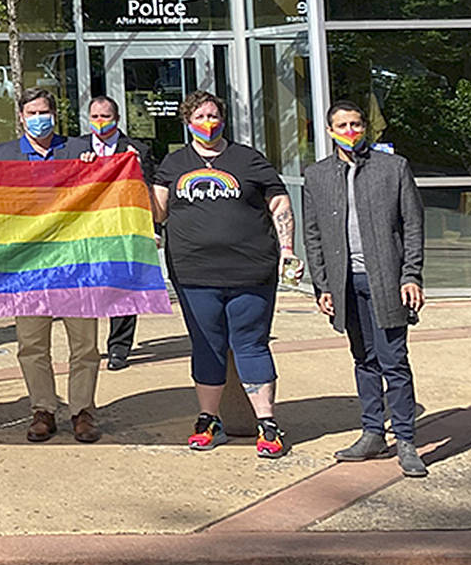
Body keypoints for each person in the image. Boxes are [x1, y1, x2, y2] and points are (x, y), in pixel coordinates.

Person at [152, 90, 296, 459]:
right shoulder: (174, 163)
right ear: (187, 122)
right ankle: (208, 420)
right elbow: (157, 212)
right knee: (207, 345)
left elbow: (278, 201)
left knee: (251, 343)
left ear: (224, 118)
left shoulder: (248, 159)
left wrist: (287, 249)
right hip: (193, 273)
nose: (208, 123)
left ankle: (267, 423)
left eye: (213, 115)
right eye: (199, 117)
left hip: (251, 271)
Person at [302, 99, 429, 478]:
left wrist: (411, 274)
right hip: (345, 283)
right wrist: (322, 285)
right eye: (342, 126)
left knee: (395, 361)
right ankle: (373, 432)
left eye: (356, 124)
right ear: (329, 131)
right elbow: (314, 235)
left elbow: (413, 226)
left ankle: (406, 440)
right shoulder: (317, 175)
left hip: (387, 280)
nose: (350, 131)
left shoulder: (394, 168)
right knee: (363, 359)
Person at [0, 89, 101, 444]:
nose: (39, 118)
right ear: (21, 117)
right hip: (29, 266)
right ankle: (43, 410)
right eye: (32, 112)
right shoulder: (2, 156)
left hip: (74, 264)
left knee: (84, 344)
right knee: (32, 344)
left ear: (55, 115)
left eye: (45, 111)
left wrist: (94, 167)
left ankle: (82, 411)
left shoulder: (78, 150)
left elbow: (104, 189)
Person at [64, 95, 157, 373]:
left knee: (124, 287)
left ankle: (119, 347)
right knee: (87, 286)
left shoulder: (137, 149)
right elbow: (65, 188)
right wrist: (81, 167)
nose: (100, 122)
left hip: (124, 227)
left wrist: (153, 228)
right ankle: (86, 347)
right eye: (95, 116)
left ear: (117, 119)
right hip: (88, 228)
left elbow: (150, 190)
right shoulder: (75, 147)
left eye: (106, 116)